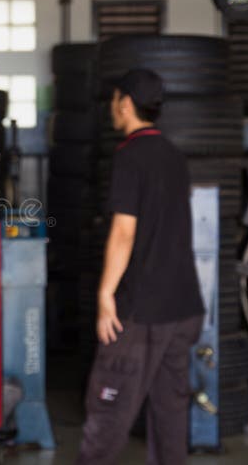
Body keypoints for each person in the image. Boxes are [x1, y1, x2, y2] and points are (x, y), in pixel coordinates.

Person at [77, 69, 204, 465]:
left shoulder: (130, 154)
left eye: (115, 99)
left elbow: (123, 232)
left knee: (108, 411)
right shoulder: (173, 154)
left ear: (126, 103)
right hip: (184, 308)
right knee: (170, 413)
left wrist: (105, 295)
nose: (112, 107)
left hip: (140, 312)